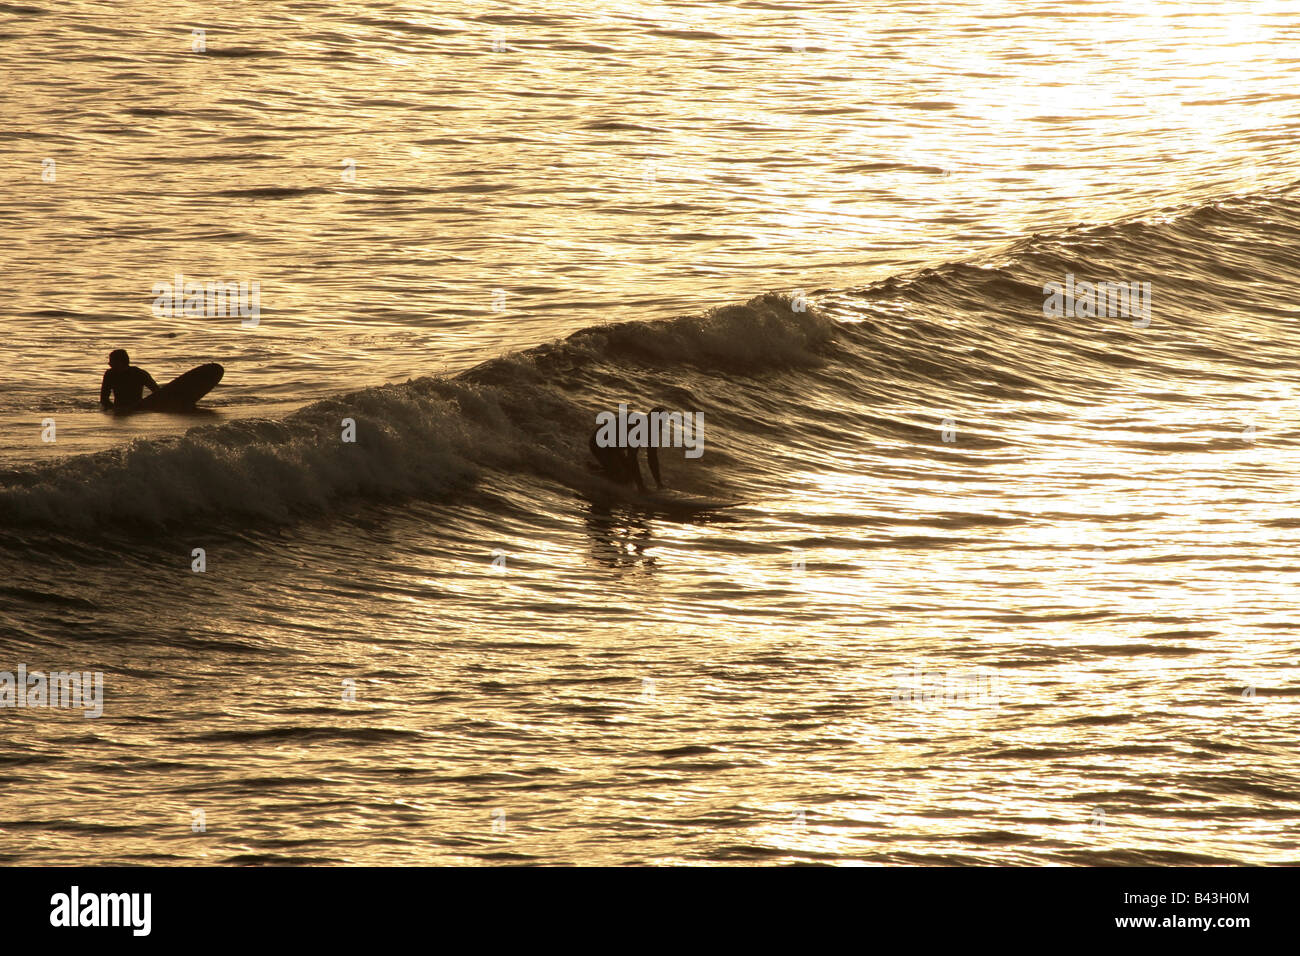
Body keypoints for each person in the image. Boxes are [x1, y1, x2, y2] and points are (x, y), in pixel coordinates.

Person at [589, 407, 664, 492]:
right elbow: (632, 458)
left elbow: (652, 458)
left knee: (629, 477)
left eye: (662, 424)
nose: (660, 427)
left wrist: (659, 483)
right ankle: (591, 476)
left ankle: (598, 469)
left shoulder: (652, 430)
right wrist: (641, 486)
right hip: (598, 443)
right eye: (659, 423)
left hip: (613, 448)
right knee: (622, 477)